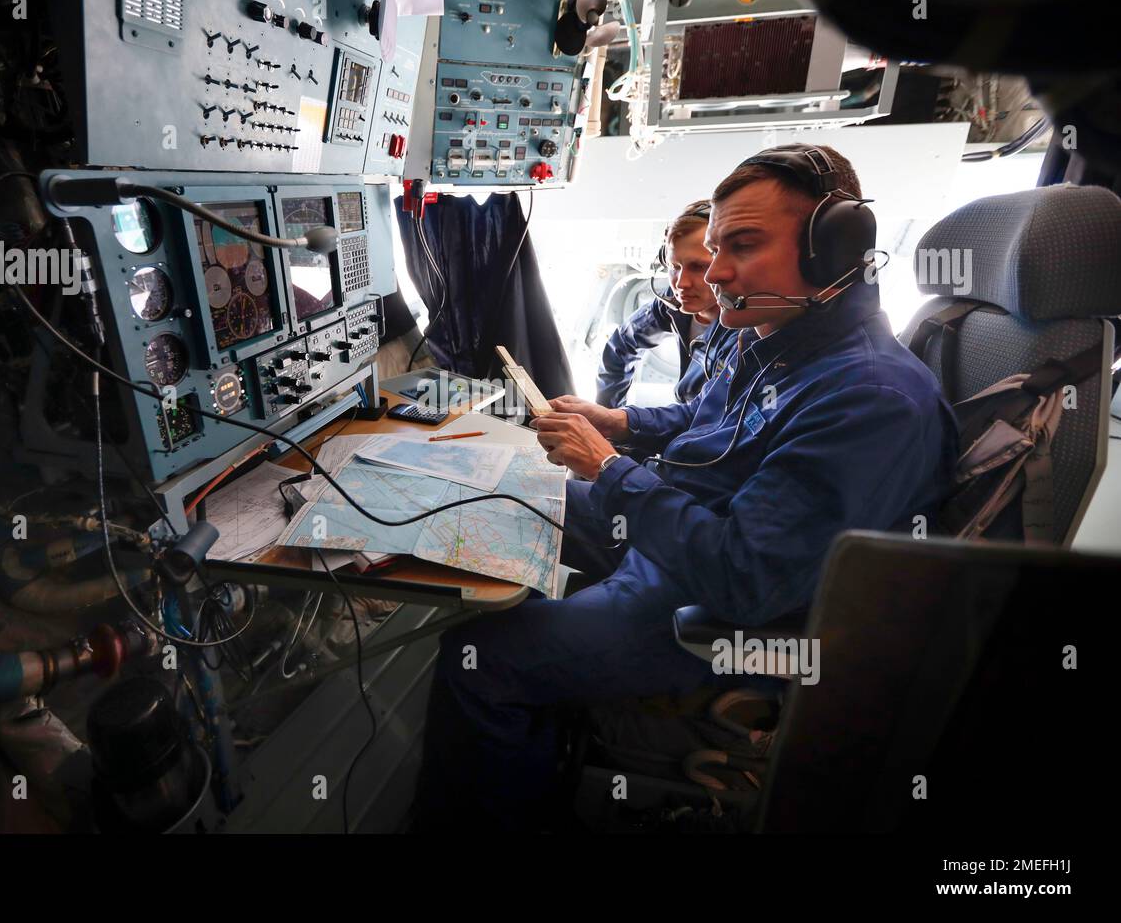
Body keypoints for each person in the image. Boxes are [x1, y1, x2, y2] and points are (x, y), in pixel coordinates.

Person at [411, 144, 959, 832]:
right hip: (679, 537)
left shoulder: (870, 399)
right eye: (715, 248)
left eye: (744, 246)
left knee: (480, 661)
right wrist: (620, 423)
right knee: (513, 488)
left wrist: (611, 469)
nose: (718, 272)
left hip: (720, 612)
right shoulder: (775, 335)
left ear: (833, 250)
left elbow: (744, 578)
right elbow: (708, 425)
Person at [595, 201, 734, 408]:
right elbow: (622, 345)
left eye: (698, 267)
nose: (681, 283)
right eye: (673, 266)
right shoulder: (673, 303)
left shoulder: (742, 334)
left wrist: (623, 423)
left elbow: (703, 418)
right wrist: (607, 414)